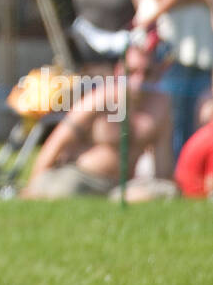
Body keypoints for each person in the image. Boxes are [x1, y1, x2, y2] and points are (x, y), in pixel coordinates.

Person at [22, 31, 174, 200]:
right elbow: (56, 143)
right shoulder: (100, 99)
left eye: (147, 73)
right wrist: (33, 185)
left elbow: (163, 170)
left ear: (158, 73)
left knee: (167, 191)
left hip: (124, 186)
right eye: (132, 72)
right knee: (63, 189)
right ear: (119, 71)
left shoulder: (160, 107)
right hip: (81, 177)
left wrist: (162, 188)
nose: (138, 81)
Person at [135, 0, 213, 157]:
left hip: (196, 46)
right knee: (172, 116)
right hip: (170, 44)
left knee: (194, 117)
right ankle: (171, 173)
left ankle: (187, 176)